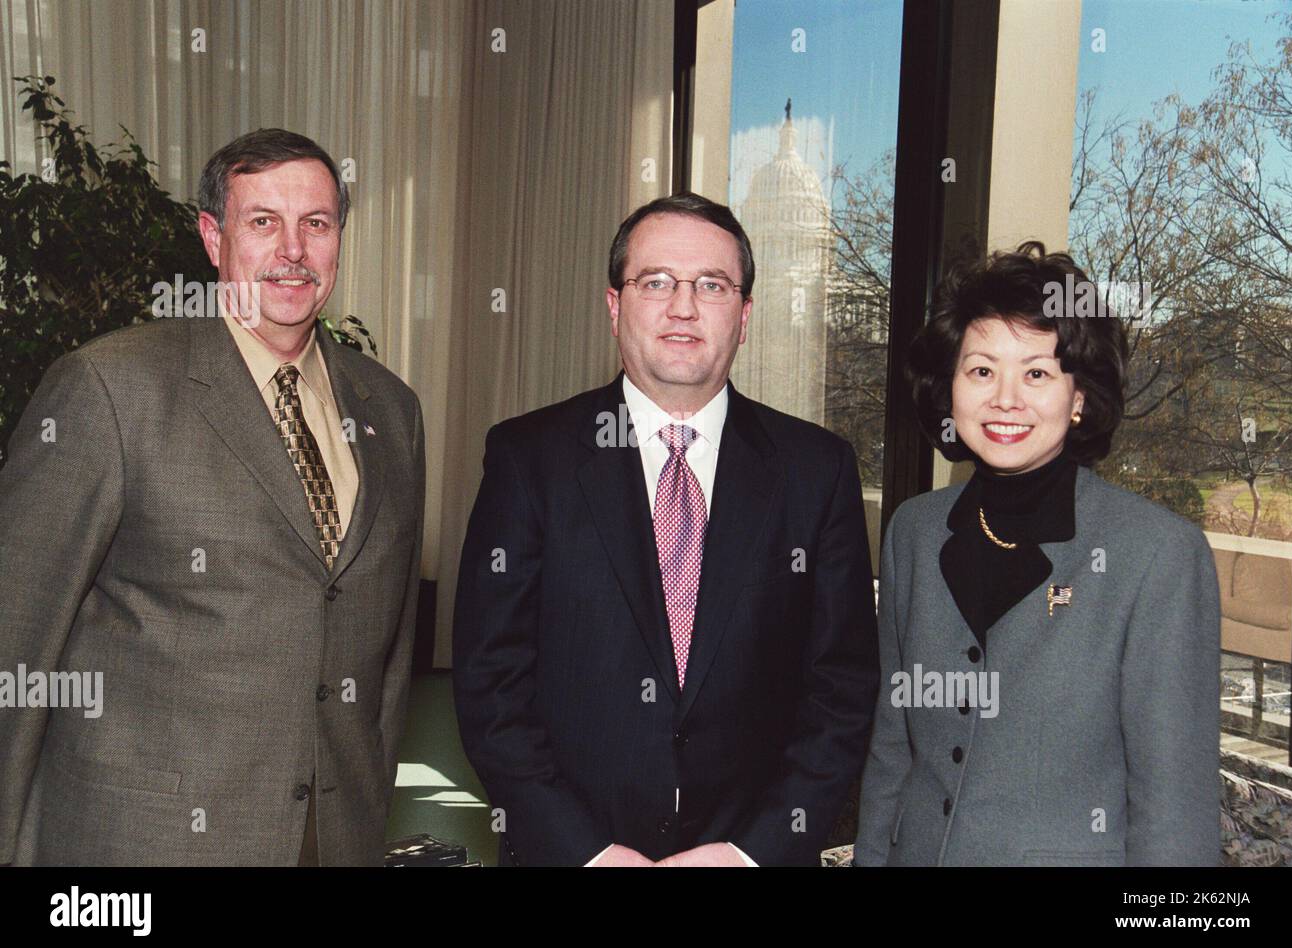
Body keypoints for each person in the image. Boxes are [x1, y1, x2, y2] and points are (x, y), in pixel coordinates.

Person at [0, 129, 426, 866]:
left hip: (333, 841)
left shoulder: (391, 410)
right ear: (212, 236)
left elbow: (388, 661)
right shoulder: (109, 389)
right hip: (145, 848)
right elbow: (16, 636)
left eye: (316, 225)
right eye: (263, 222)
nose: (292, 250)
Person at [453, 192, 878, 866]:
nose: (683, 305)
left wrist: (751, 853)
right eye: (656, 282)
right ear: (615, 305)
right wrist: (586, 852)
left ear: (743, 315)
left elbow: (842, 692)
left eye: (711, 285)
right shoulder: (530, 458)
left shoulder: (816, 471)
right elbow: (490, 685)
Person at [854, 241, 1221, 866]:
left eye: (1037, 373)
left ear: (1079, 398)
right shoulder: (912, 534)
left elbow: (1175, 811)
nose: (1005, 399)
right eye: (981, 370)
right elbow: (895, 747)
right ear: (949, 389)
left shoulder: (1157, 556)